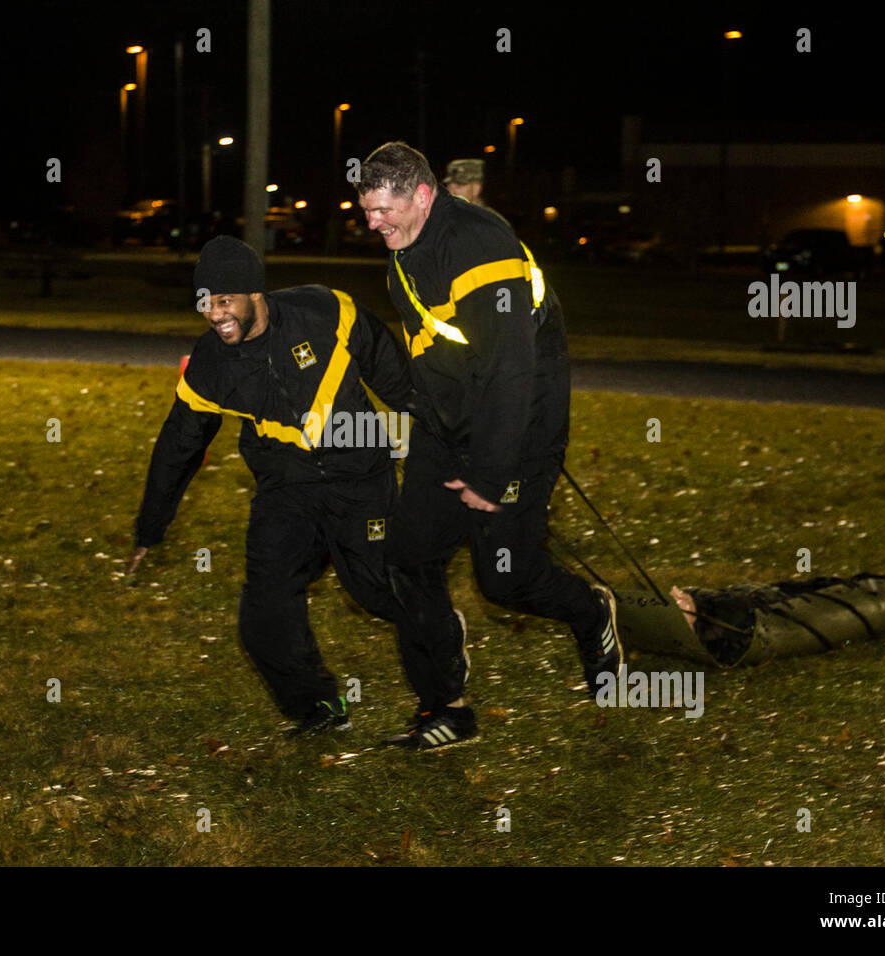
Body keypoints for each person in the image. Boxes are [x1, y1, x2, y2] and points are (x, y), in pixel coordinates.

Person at [355, 141, 624, 750]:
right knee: (408, 557)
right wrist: (424, 413)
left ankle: (591, 613)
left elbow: (510, 374)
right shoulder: (407, 245)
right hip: (450, 425)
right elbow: (433, 341)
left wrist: (488, 474)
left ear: (422, 195)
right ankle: (445, 708)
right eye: (367, 211)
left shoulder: (481, 248)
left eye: (383, 210)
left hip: (519, 424)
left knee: (504, 579)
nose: (374, 223)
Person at [127, 236, 418, 735]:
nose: (215, 315)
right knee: (262, 615)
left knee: (374, 591)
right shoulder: (211, 364)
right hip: (286, 486)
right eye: (205, 304)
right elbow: (179, 444)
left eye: (224, 300)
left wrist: (445, 432)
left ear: (254, 293)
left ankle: (439, 638)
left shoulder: (325, 311)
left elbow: (395, 376)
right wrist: (150, 526)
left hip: (359, 476)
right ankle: (318, 707)